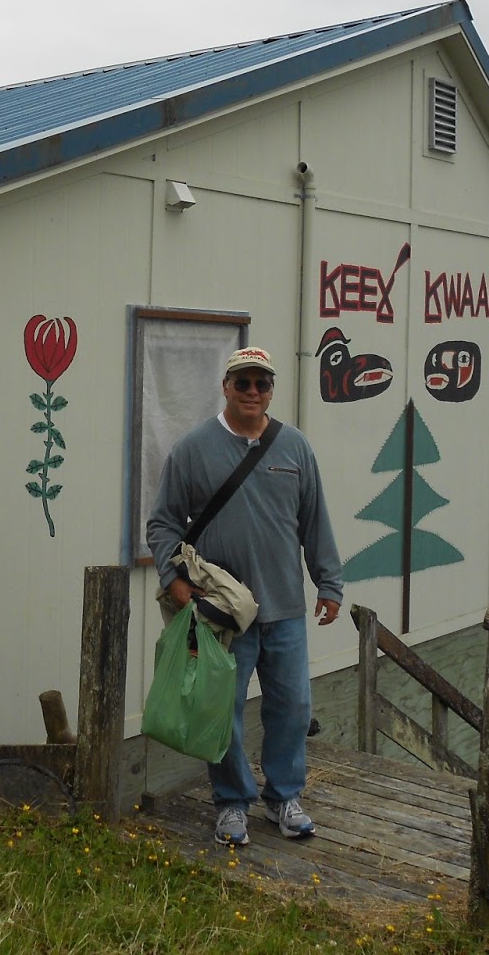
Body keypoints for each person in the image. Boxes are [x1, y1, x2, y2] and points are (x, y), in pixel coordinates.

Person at [147, 346, 343, 845]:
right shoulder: (194, 448)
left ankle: (283, 797)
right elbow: (163, 522)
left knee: (293, 708)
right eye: (244, 383)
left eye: (262, 383)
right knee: (223, 713)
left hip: (286, 611)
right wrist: (176, 584)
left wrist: (329, 582)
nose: (253, 392)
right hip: (223, 616)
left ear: (271, 389)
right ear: (226, 387)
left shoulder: (296, 447)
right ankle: (232, 803)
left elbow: (314, 521)